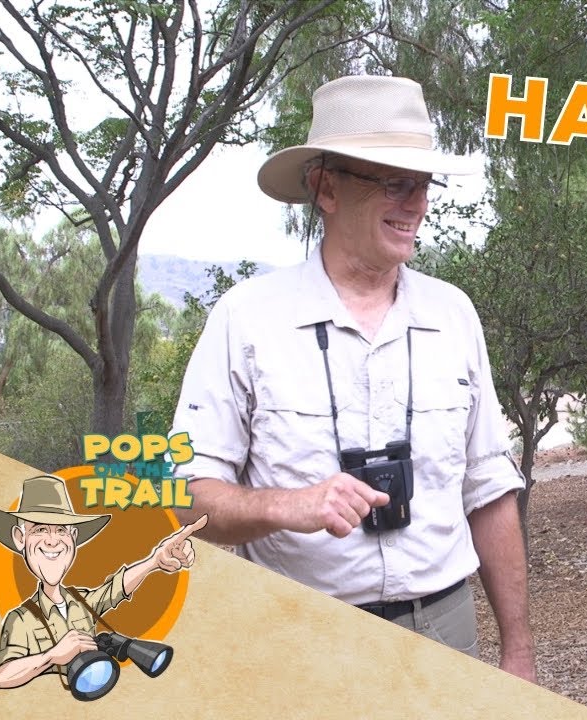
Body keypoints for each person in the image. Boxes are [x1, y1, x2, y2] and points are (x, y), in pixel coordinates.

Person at [170, 75, 534, 681]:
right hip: (301, 640)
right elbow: (187, 496)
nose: (417, 203)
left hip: (446, 635)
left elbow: (489, 489)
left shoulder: (454, 315)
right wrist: (293, 505)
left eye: (423, 184)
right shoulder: (246, 319)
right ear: (326, 188)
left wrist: (517, 651)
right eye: (395, 182)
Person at [0, 474, 202, 691]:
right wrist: (52, 656)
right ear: (20, 538)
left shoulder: (81, 600)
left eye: (61, 530)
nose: (52, 541)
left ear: (73, 537)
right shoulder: (21, 619)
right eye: (40, 529)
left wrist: (154, 561)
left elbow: (114, 589)